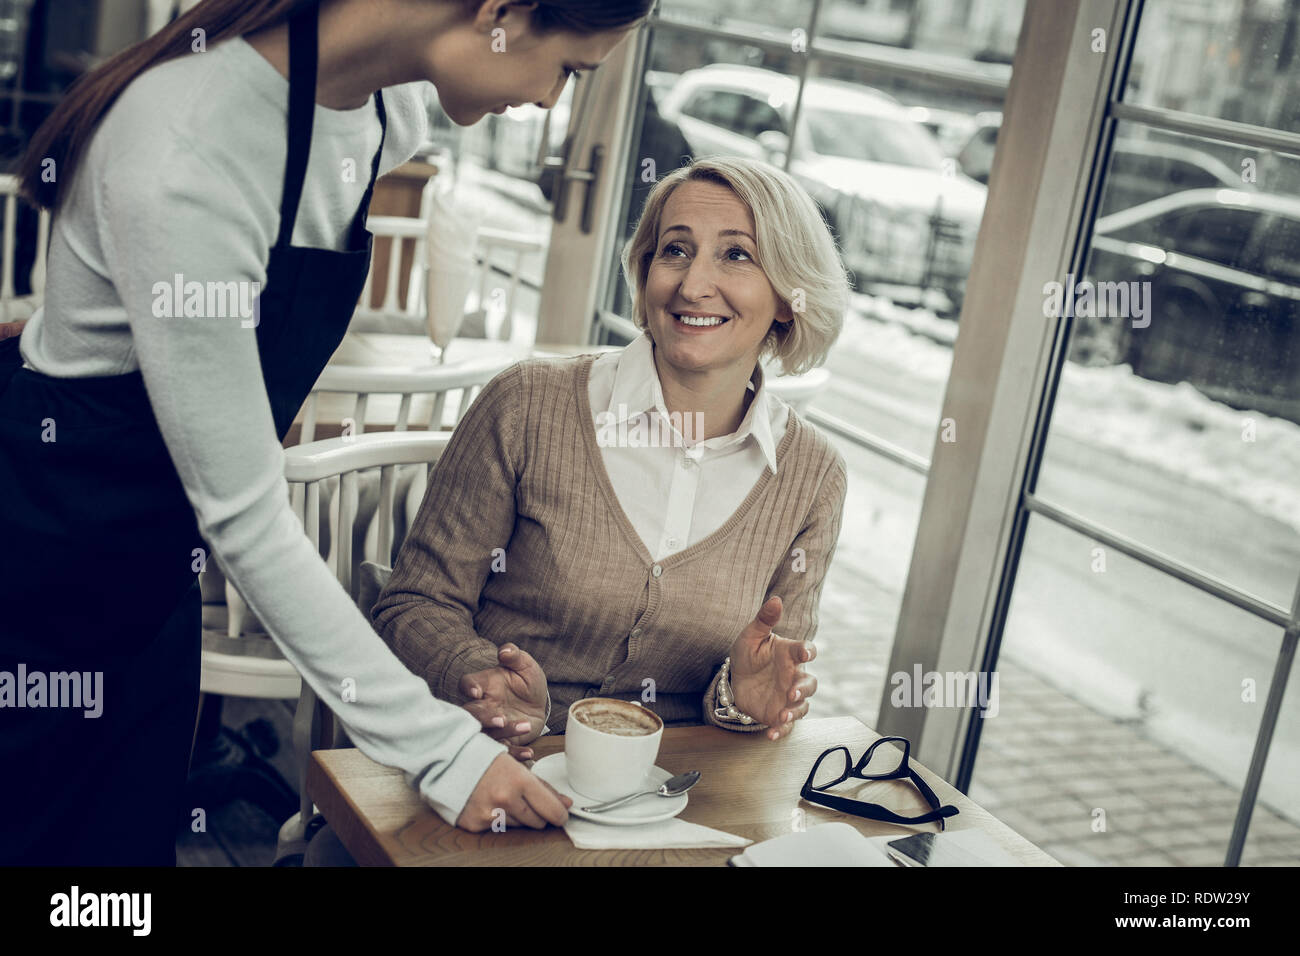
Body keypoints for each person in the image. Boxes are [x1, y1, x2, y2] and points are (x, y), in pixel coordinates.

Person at [0, 0, 651, 866]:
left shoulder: (381, 108)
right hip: (36, 583)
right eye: (569, 72)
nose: (550, 103)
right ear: (499, 12)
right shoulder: (187, 144)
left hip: (149, 585)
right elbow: (246, 517)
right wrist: (442, 748)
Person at [372, 155, 850, 757]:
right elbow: (415, 603)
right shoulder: (526, 405)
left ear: (789, 298)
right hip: (481, 760)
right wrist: (480, 678)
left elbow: (765, 678)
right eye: (675, 250)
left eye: (736, 255)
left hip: (670, 799)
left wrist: (740, 700)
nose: (692, 284)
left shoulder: (813, 476)